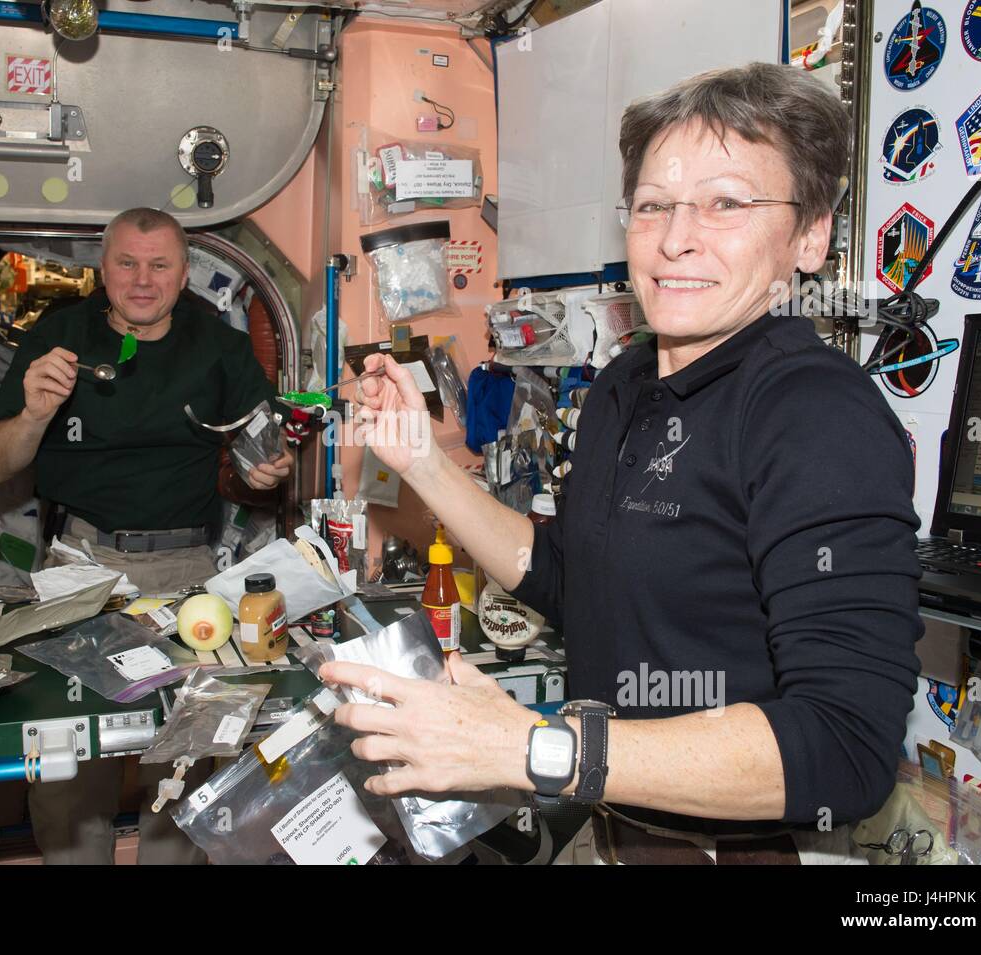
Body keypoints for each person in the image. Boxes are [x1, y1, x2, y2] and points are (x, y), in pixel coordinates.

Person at [323, 63, 922, 865]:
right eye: (653, 205)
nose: (677, 237)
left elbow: (846, 745)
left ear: (810, 235)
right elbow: (570, 578)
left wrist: (536, 748)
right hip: (612, 828)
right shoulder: (625, 384)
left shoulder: (814, 412)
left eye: (727, 203)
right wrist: (424, 462)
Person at [0, 207, 294, 864]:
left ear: (184, 274)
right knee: (69, 765)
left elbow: (260, 458)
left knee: (185, 765)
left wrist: (266, 465)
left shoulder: (220, 347)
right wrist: (36, 413)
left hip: (188, 573)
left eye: (160, 265)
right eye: (128, 263)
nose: (143, 280)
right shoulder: (60, 334)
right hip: (78, 566)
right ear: (104, 269)